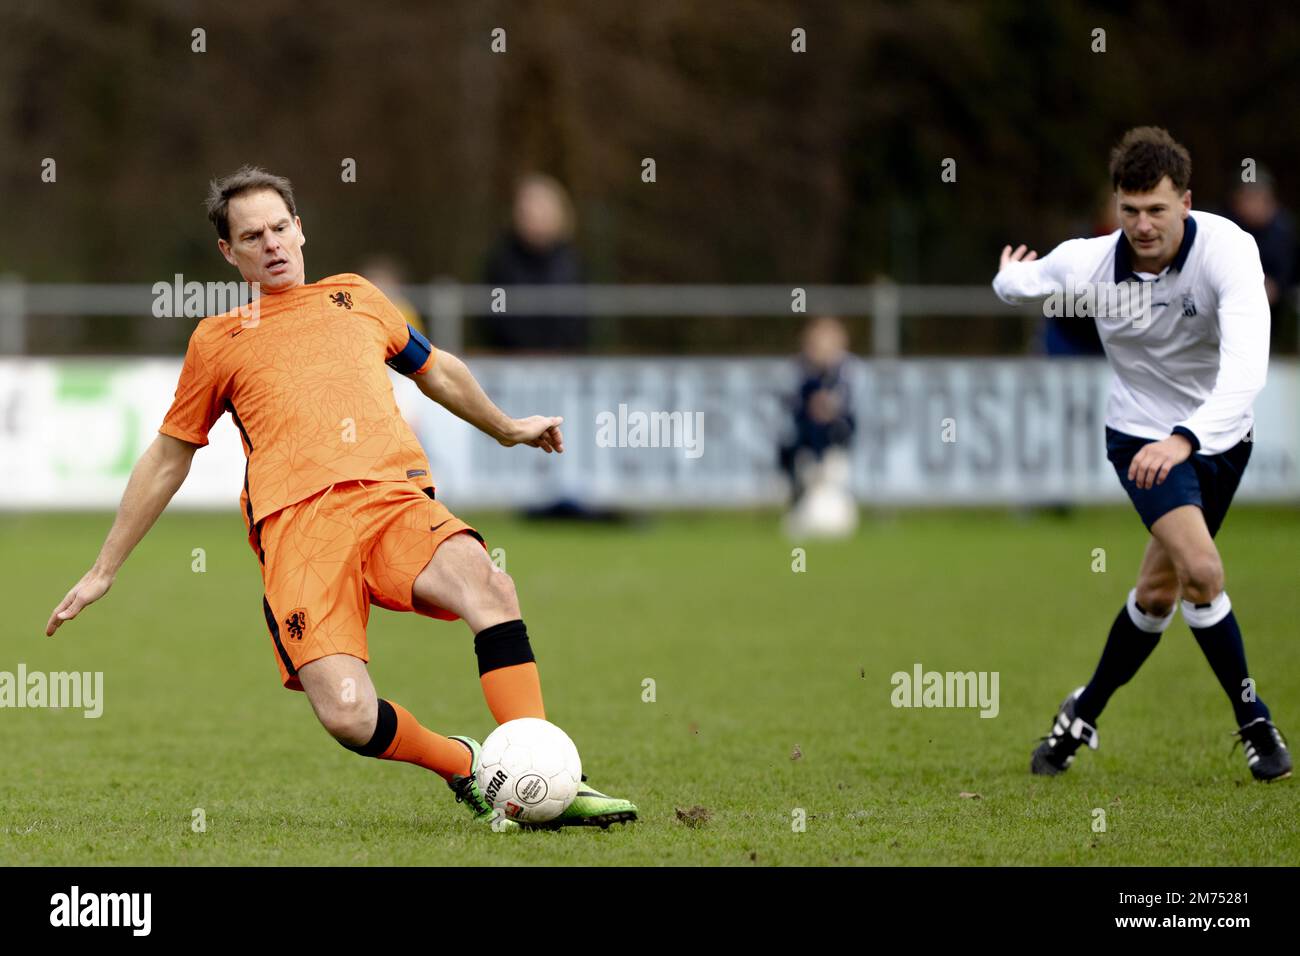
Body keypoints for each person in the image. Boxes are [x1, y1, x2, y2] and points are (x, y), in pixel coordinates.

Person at [45, 166, 638, 829]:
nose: (271, 244)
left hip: (393, 501)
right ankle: (465, 765)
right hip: (299, 533)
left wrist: (505, 427)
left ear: (300, 227)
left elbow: (435, 368)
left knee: (491, 589)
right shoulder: (217, 341)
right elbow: (167, 457)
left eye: (279, 227)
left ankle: (554, 773)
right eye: (252, 236)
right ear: (228, 253)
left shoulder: (357, 297)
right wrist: (104, 569)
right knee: (349, 715)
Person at [993, 128, 1291, 782]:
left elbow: (1247, 369)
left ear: (1187, 201)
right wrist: (1008, 277)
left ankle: (1082, 713)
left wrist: (1187, 436)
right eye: (1130, 211)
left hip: (1219, 438)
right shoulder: (1090, 261)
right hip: (1139, 442)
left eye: (1156, 210)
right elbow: (1019, 285)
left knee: (1158, 593)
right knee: (1203, 571)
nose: (1142, 226)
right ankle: (1254, 720)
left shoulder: (1229, 252)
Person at [482, 173, 586, 351]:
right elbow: (493, 320)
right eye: (527, 208)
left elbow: (580, 321)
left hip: (563, 363)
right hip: (510, 363)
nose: (533, 214)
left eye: (541, 208)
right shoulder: (501, 263)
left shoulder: (573, 264)